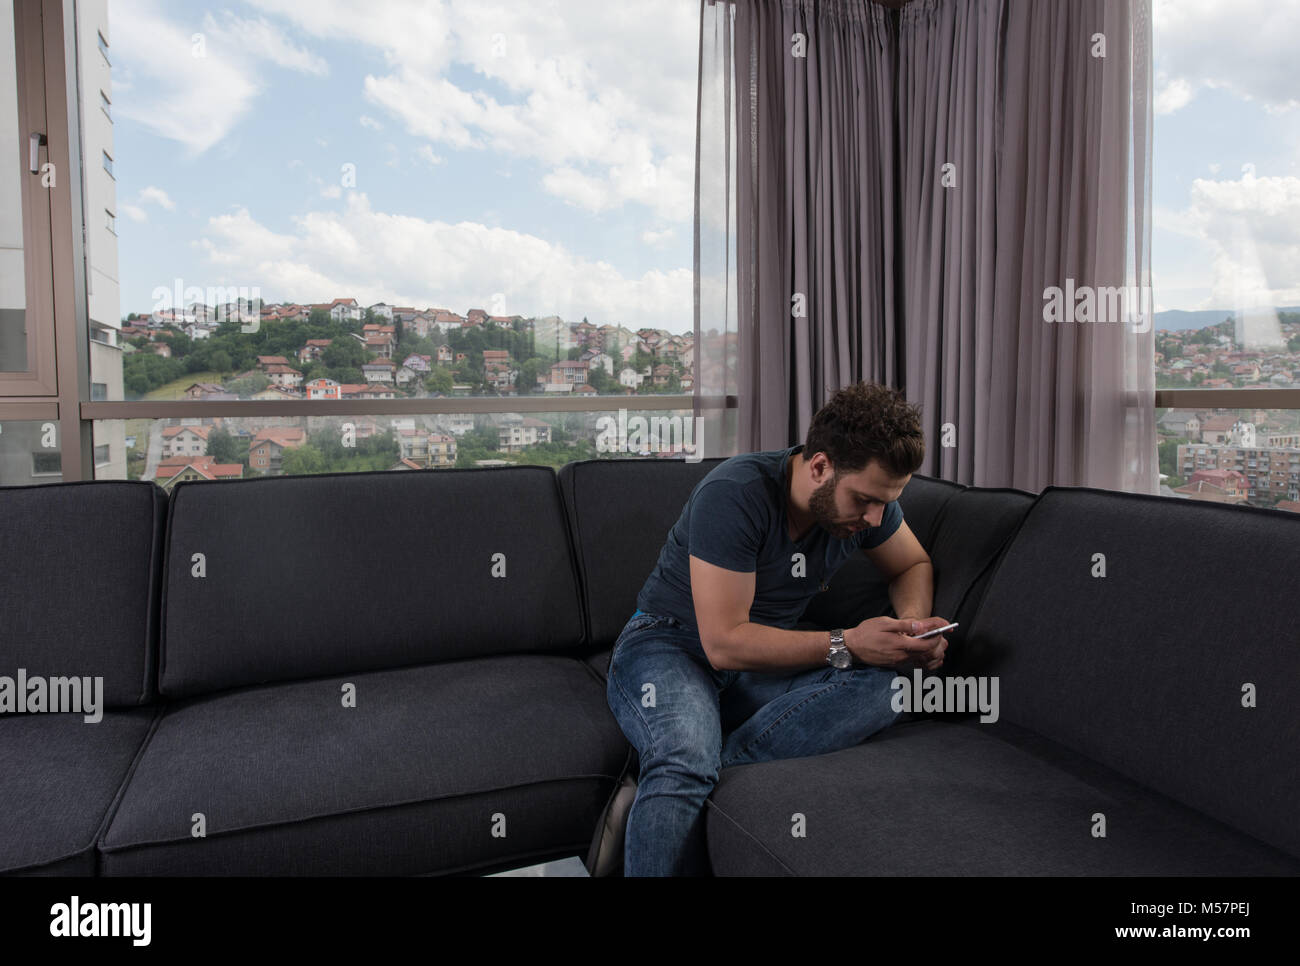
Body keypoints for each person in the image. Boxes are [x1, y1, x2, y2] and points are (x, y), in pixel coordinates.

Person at [605, 381, 953, 876]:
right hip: (670, 644)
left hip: (762, 663)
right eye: (865, 500)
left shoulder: (871, 505)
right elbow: (724, 643)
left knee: (892, 683)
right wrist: (848, 642)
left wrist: (909, 630)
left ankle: (672, 785)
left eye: (886, 502)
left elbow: (911, 564)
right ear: (819, 466)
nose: (875, 516)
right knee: (684, 755)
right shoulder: (735, 494)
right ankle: (682, 771)